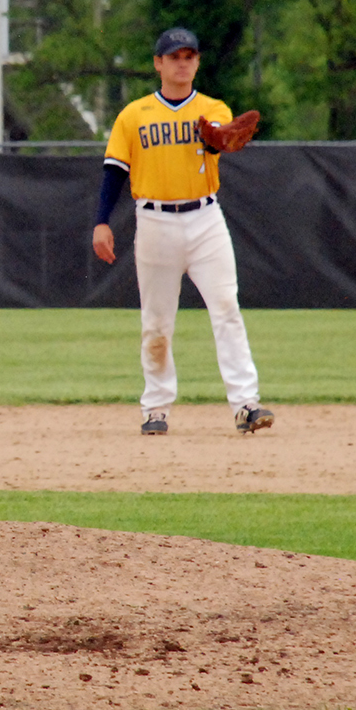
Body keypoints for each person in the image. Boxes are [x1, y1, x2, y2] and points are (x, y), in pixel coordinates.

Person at [90, 27, 273, 437]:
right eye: (174, 56)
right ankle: (155, 408)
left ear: (198, 62)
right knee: (157, 322)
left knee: (226, 308)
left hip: (205, 219)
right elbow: (114, 170)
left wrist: (217, 141)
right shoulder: (134, 115)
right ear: (158, 63)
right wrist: (102, 221)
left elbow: (219, 140)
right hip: (154, 220)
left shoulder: (213, 108)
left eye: (189, 55)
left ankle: (246, 404)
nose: (182, 62)